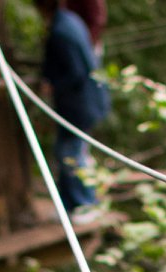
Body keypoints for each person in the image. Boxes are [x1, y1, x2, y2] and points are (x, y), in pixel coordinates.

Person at [35, 0, 111, 215]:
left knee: (72, 154)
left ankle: (85, 204)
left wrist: (52, 85)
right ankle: (69, 205)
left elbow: (76, 72)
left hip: (80, 104)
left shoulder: (61, 31)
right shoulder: (68, 20)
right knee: (66, 152)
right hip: (81, 102)